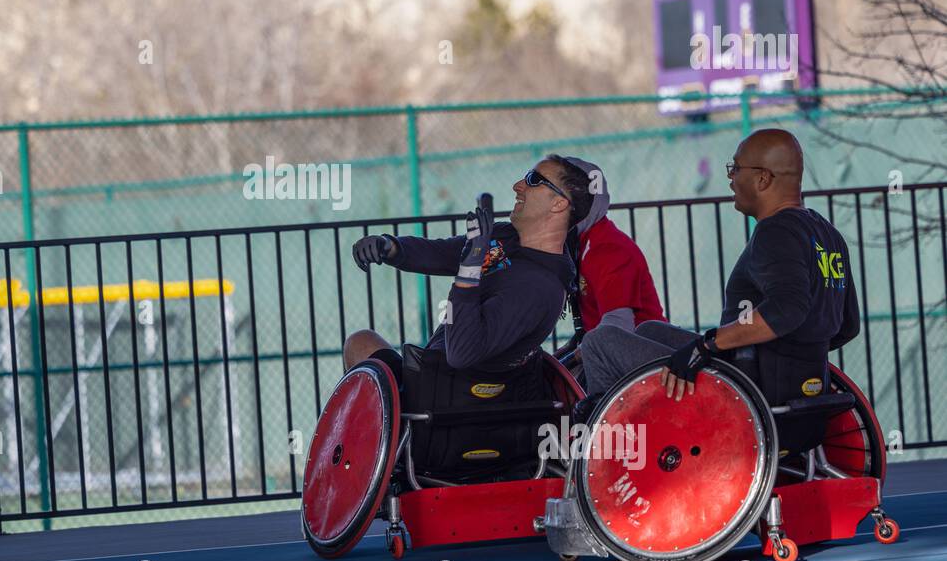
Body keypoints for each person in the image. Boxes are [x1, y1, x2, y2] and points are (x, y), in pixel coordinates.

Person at [578, 128, 860, 407]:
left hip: (746, 390)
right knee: (651, 330)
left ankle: (613, 441)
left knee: (599, 343)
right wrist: (796, 356)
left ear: (762, 179)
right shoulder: (827, 233)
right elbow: (848, 326)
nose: (730, 178)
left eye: (735, 168)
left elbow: (787, 309)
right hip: (795, 384)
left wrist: (708, 346)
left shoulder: (775, 232)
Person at [345, 157, 582, 384]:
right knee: (360, 343)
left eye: (533, 179)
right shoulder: (507, 237)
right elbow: (442, 253)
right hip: (431, 373)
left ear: (559, 203)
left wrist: (470, 267)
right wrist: (391, 247)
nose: (518, 186)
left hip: (451, 401)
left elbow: (461, 354)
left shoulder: (541, 286)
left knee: (364, 354)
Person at [554, 156, 665, 347]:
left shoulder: (608, 249)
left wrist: (582, 352)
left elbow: (618, 327)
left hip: (638, 359)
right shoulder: (583, 244)